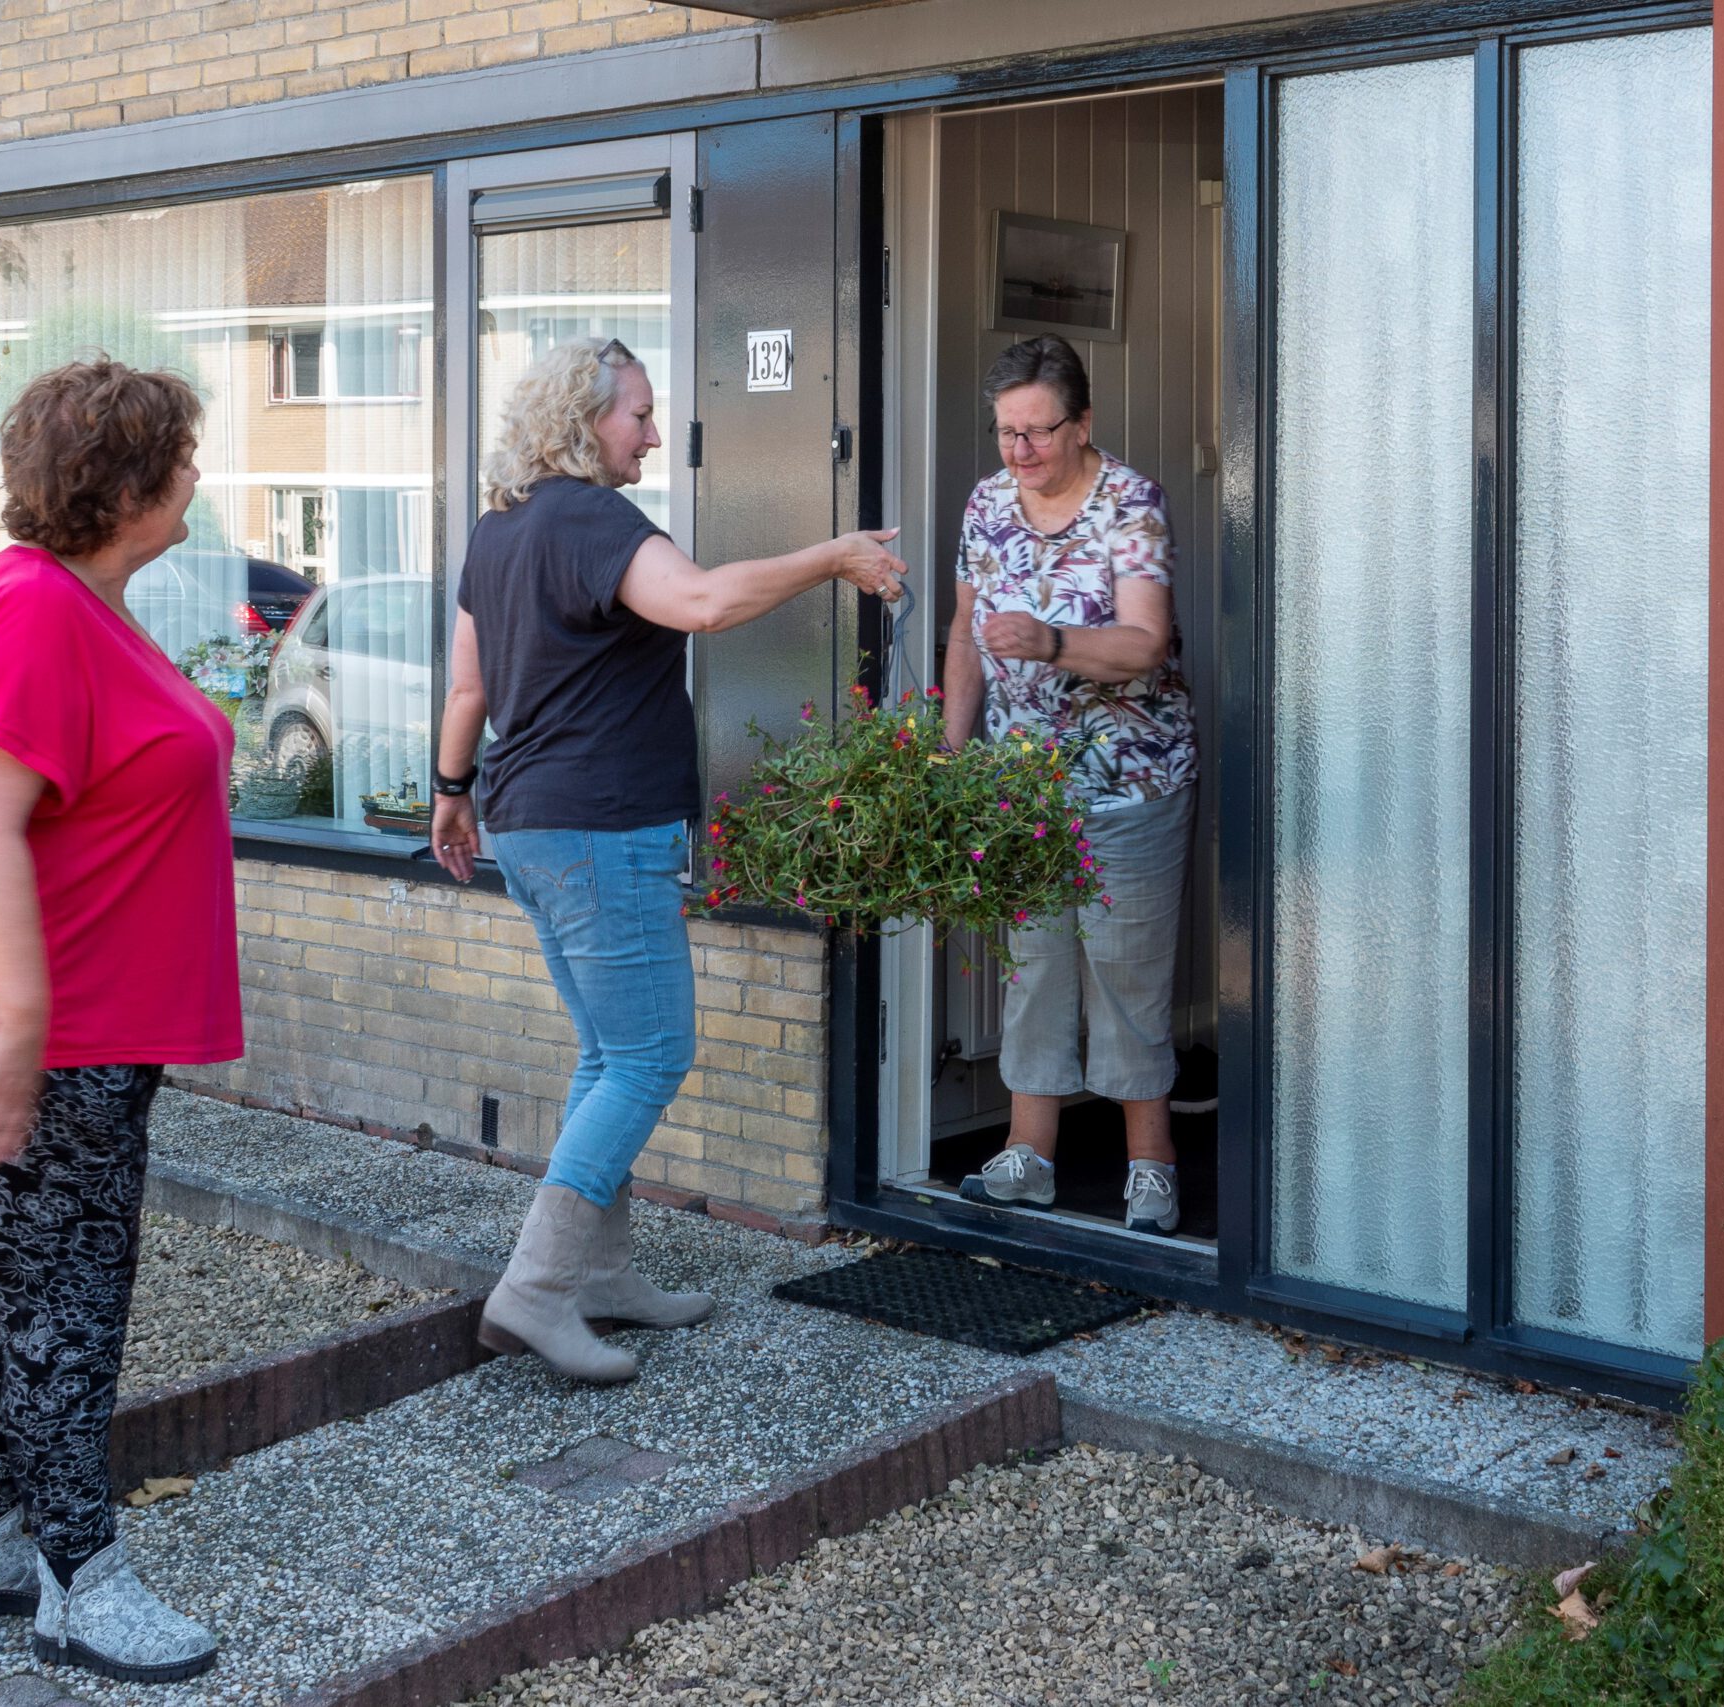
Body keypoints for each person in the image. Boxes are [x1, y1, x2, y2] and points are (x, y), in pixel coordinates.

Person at [0, 360, 240, 1685]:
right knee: (72, 1302)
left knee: (38, 1290)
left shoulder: (82, 604)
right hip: (23, 1014)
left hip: (78, 1014)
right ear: (125, 479)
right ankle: (83, 1578)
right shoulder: (31, 611)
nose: (198, 473)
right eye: (183, 455)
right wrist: (16, 1028)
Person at [431, 336, 906, 1384]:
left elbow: (468, 688)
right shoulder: (594, 519)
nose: (652, 431)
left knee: (609, 1054)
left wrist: (451, 792)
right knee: (648, 1057)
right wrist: (832, 557)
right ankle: (538, 1290)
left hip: (529, 820)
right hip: (599, 825)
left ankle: (601, 1277)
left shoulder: (499, 526)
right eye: (637, 414)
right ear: (581, 422)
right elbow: (701, 603)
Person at [945, 335, 1200, 1236]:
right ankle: (1030, 1157)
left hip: (1129, 782)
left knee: (1126, 972)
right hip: (1023, 783)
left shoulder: (1131, 504)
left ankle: (1151, 1167)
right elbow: (967, 626)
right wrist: (950, 746)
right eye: (1006, 432)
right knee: (1035, 963)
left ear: (1082, 422)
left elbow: (1145, 642)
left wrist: (1049, 641)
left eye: (1038, 431)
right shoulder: (986, 504)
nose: (1020, 451)